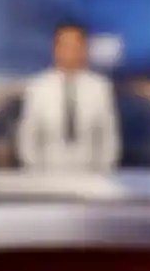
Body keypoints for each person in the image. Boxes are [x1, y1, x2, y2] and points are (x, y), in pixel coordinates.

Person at [16, 23, 121, 172]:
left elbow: (109, 137)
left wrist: (104, 172)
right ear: (55, 49)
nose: (70, 51)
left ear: (84, 49)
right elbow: (28, 137)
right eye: (65, 45)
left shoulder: (100, 88)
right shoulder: (38, 87)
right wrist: (35, 173)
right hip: (46, 174)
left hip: (92, 175)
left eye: (76, 46)